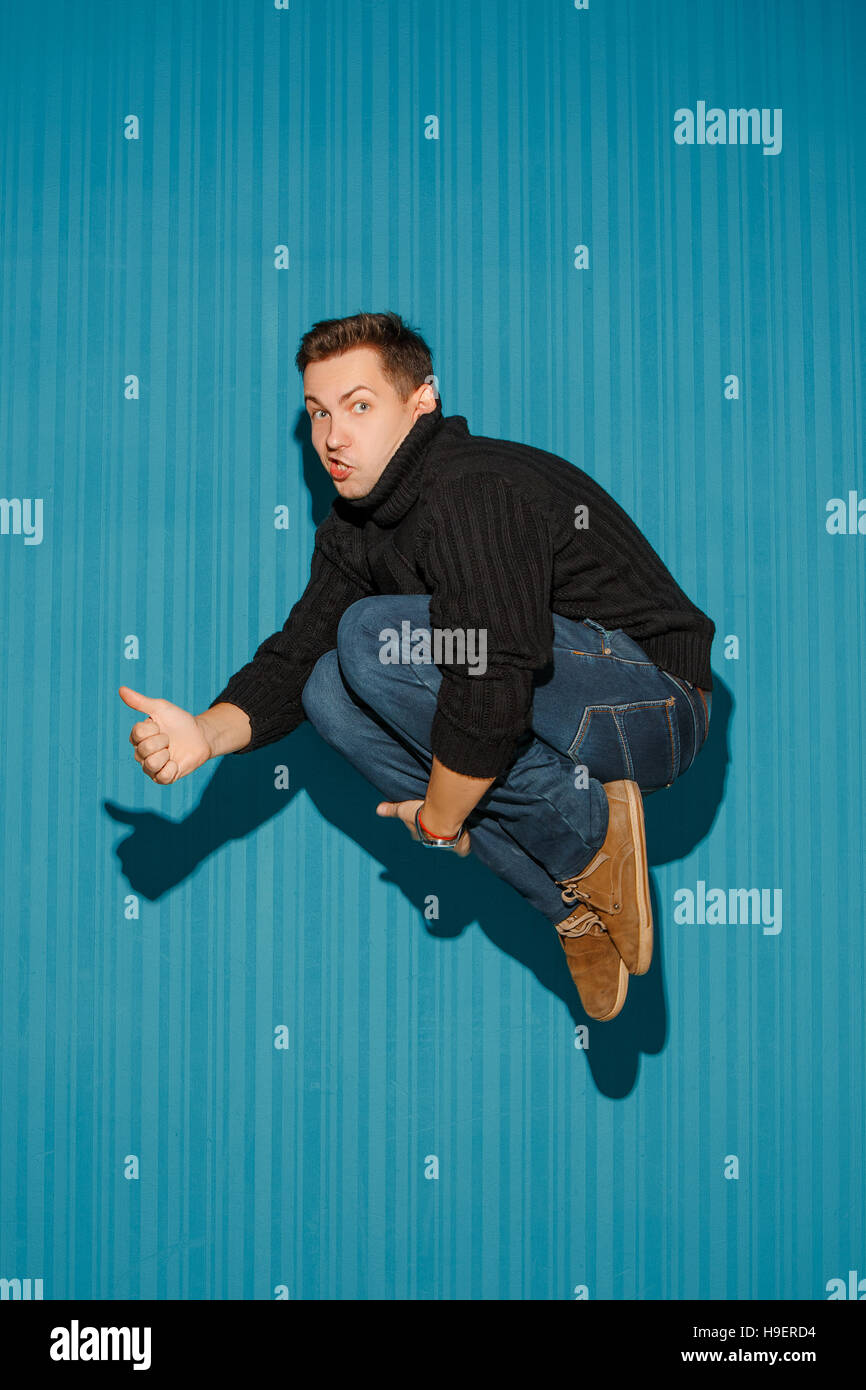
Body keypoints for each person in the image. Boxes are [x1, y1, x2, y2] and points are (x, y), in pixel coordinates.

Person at [119, 311, 714, 1022]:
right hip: (550, 707)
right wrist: (205, 735)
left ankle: (586, 837)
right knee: (325, 688)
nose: (332, 438)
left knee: (372, 637)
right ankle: (568, 896)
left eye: (359, 406)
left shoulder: (472, 487)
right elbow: (295, 654)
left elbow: (496, 673)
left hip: (652, 704)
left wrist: (438, 818)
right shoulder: (355, 531)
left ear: (422, 399)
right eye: (318, 413)